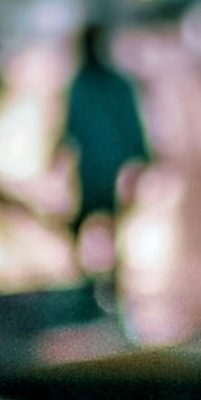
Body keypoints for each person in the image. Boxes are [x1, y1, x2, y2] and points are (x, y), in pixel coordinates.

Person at [58, 29, 150, 274]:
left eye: (91, 253)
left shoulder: (65, 201)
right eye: (105, 252)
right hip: (123, 70)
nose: (97, 243)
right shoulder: (136, 191)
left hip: (78, 73)